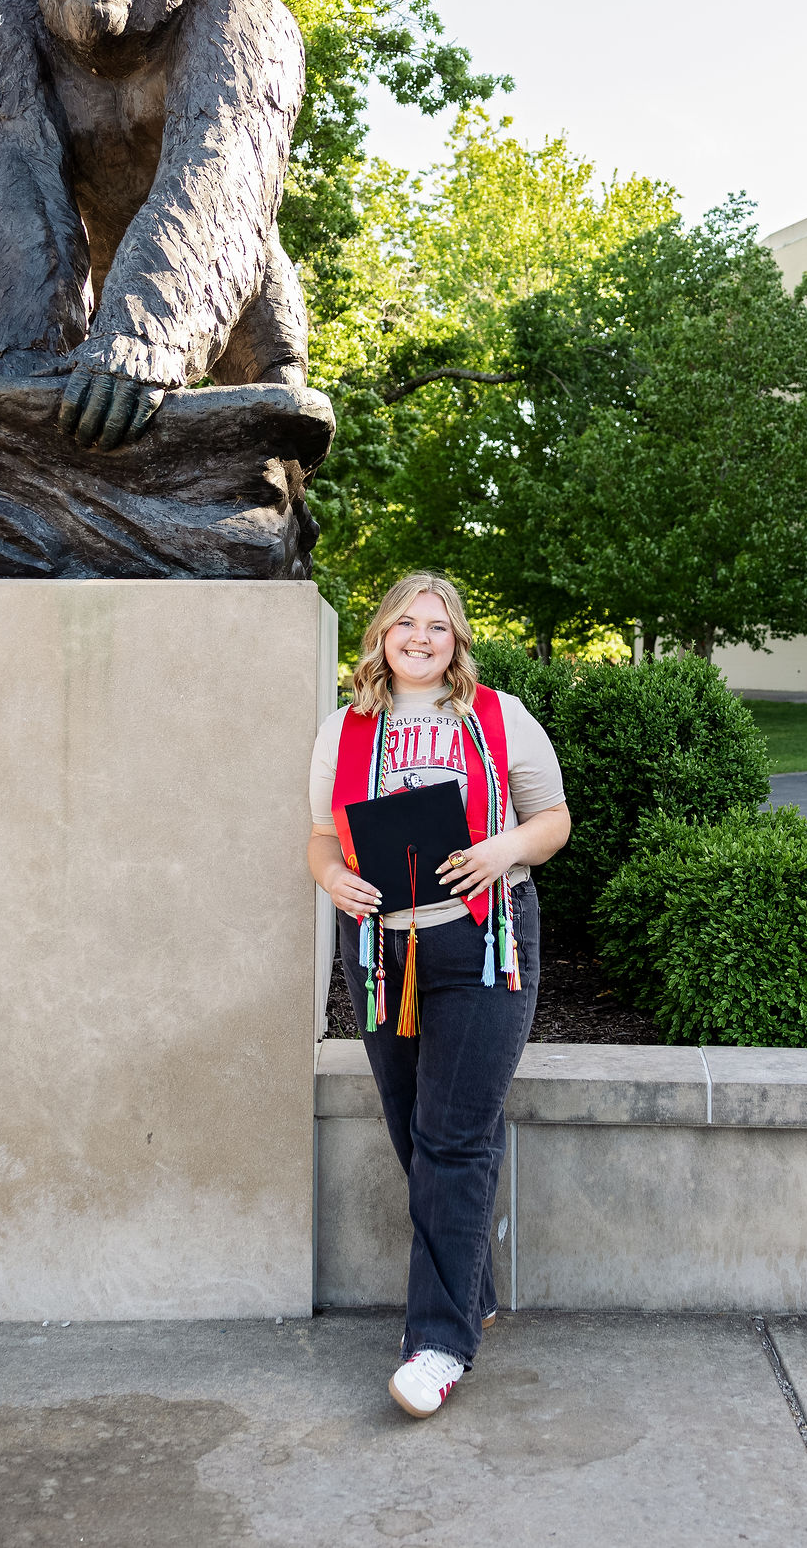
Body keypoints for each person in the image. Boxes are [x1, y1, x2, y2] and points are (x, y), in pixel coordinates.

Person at [306, 572, 570, 1419]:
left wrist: (501, 851)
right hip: (383, 950)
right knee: (412, 1126)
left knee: (452, 1137)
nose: (420, 638)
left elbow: (553, 820)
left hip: (486, 939)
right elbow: (321, 838)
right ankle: (470, 1289)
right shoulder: (345, 728)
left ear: (457, 640)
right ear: (381, 636)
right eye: (406, 624)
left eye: (438, 626)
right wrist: (334, 881)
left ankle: (438, 1344)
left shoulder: (498, 715)